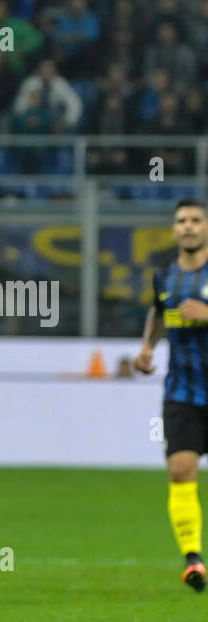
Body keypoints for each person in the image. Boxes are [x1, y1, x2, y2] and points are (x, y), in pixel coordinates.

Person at [135, 198, 208, 589]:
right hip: (182, 391)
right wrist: (148, 348)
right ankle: (194, 560)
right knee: (181, 469)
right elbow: (159, 313)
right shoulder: (165, 278)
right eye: (181, 220)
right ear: (174, 229)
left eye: (196, 220)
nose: (188, 227)